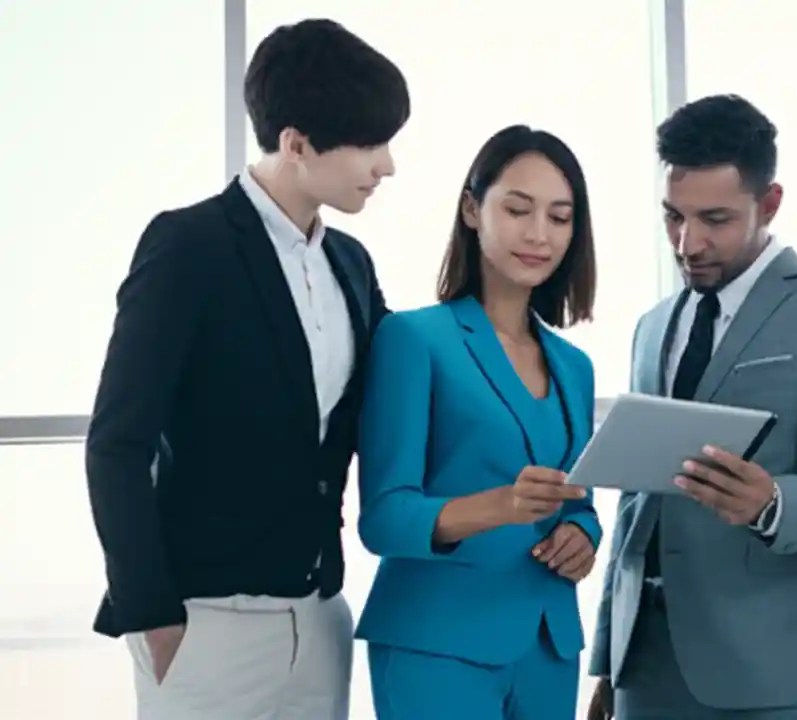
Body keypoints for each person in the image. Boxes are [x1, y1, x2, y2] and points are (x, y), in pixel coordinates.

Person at [84, 18, 407, 720]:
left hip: (320, 616)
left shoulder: (351, 263)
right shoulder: (188, 246)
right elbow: (116, 443)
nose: (386, 165)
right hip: (205, 624)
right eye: (370, 143)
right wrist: (152, 613)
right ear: (296, 143)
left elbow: (394, 402)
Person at [587, 94, 797, 720]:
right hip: (646, 669)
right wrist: (608, 667)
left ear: (770, 203)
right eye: (673, 217)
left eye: (715, 219)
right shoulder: (653, 327)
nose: (688, 243)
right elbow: (636, 509)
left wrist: (772, 504)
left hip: (783, 673)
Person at [355, 124, 602, 719]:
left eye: (560, 217)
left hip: (547, 644)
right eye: (518, 209)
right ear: (472, 209)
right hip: (437, 642)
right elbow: (384, 518)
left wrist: (585, 537)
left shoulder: (574, 366)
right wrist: (499, 506)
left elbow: (576, 501)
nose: (539, 234)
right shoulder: (414, 339)